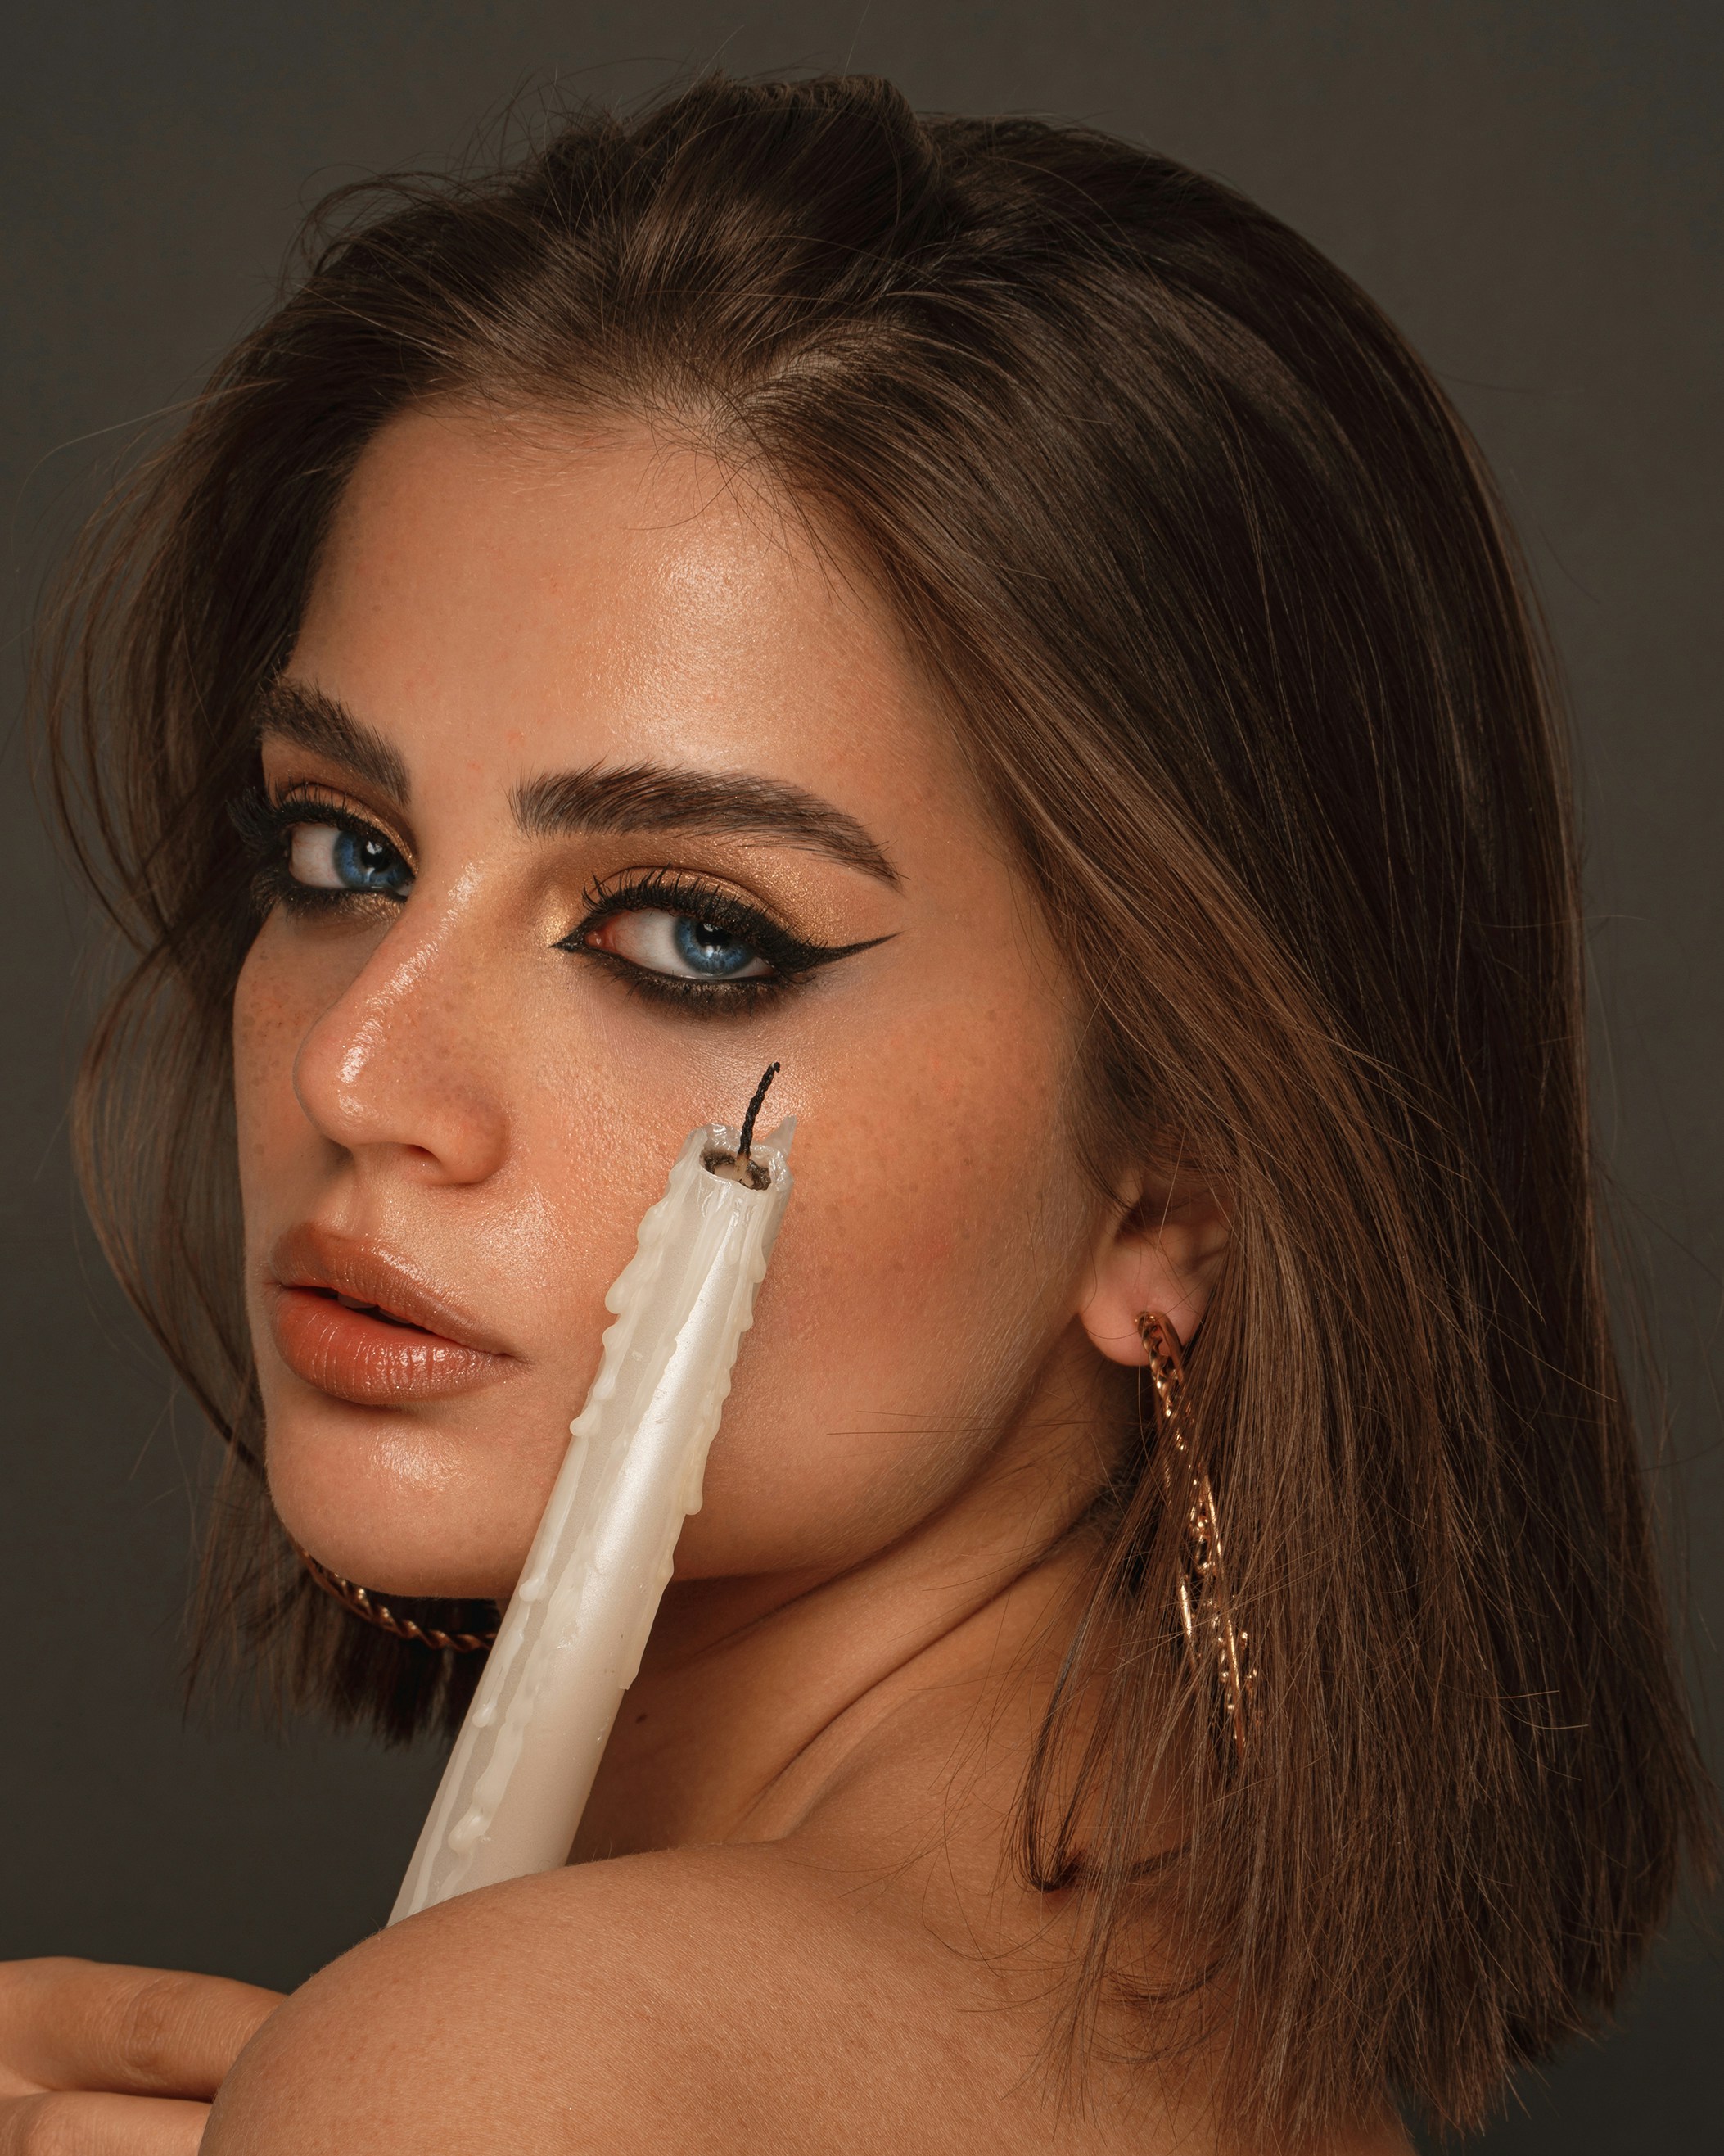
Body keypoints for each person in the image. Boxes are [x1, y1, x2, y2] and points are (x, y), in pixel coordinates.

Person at [7, 73, 1712, 2153]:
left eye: (693, 937)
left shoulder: (521, 2072)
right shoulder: (1205, 2056)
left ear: (1173, 1187)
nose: (357, 1075)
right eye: (344, 854)